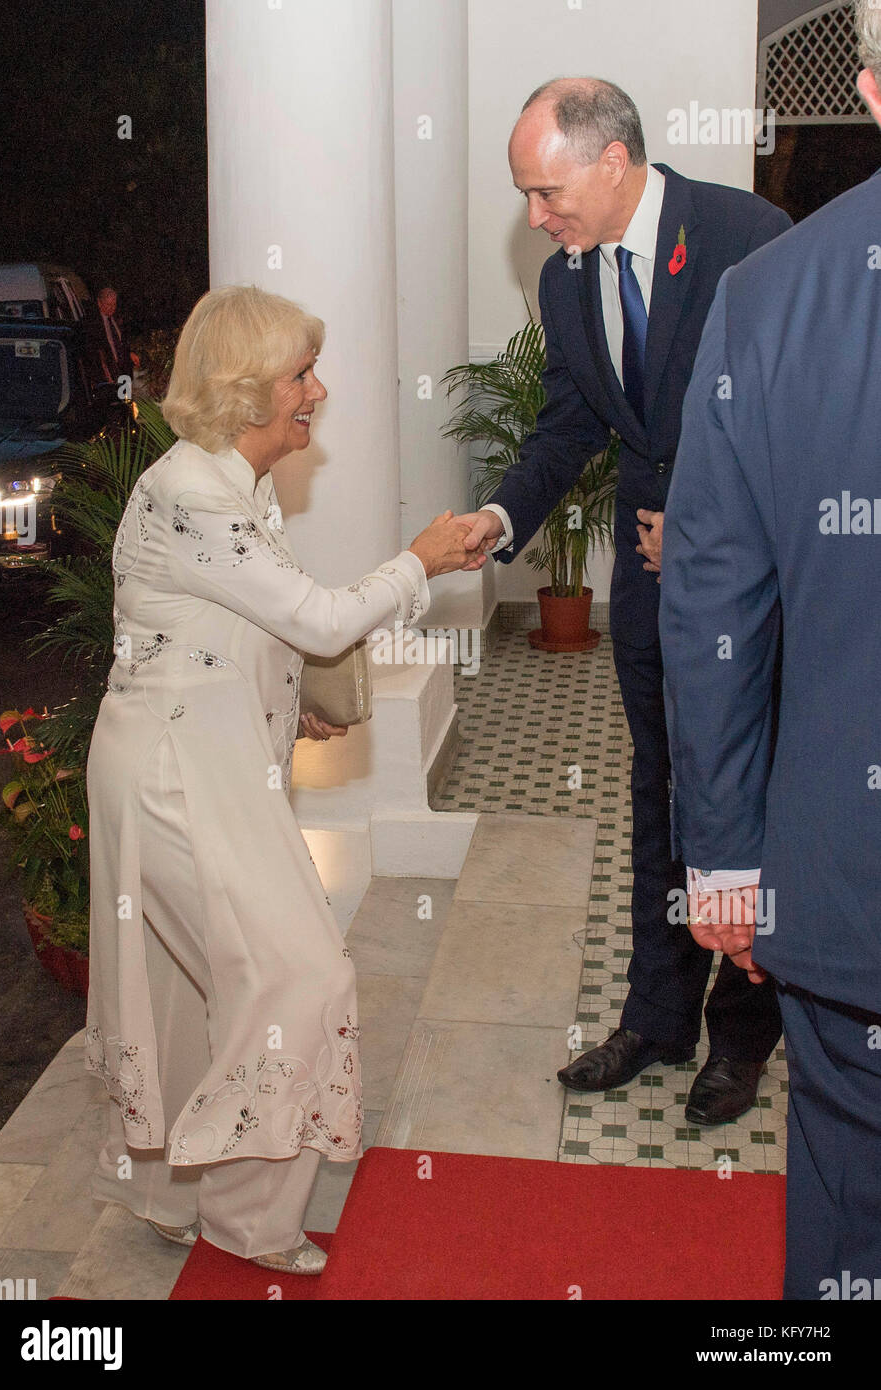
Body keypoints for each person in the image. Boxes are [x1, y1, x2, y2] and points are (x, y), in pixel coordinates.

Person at [84, 285, 481, 1273]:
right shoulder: (191, 494)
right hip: (179, 776)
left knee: (193, 986)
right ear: (247, 389)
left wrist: (286, 689)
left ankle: (172, 1193)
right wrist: (418, 560)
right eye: (301, 374)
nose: (320, 390)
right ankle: (247, 1218)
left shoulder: (236, 488)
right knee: (302, 972)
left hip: (208, 760)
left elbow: (235, 625)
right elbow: (317, 616)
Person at [455, 78, 792, 1122]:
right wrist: (499, 519)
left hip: (750, 593)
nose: (534, 216)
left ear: (613, 160)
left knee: (740, 801)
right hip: (647, 594)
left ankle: (742, 1040)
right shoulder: (563, 282)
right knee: (660, 795)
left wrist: (703, 521)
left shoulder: (749, 237)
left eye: (544, 190)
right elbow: (569, 425)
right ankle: (657, 1014)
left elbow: (799, 421)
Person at [659, 0, 881, 1300]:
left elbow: (712, 611)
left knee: (848, 1211)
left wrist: (726, 863)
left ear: (861, 86)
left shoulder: (767, 300)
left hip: (848, 901)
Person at [85, 285, 138, 390]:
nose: (111, 308)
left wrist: (129, 353)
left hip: (123, 372)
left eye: (114, 304)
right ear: (99, 303)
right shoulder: (93, 324)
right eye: (108, 305)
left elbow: (122, 342)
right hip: (108, 375)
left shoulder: (117, 319)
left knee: (125, 400)